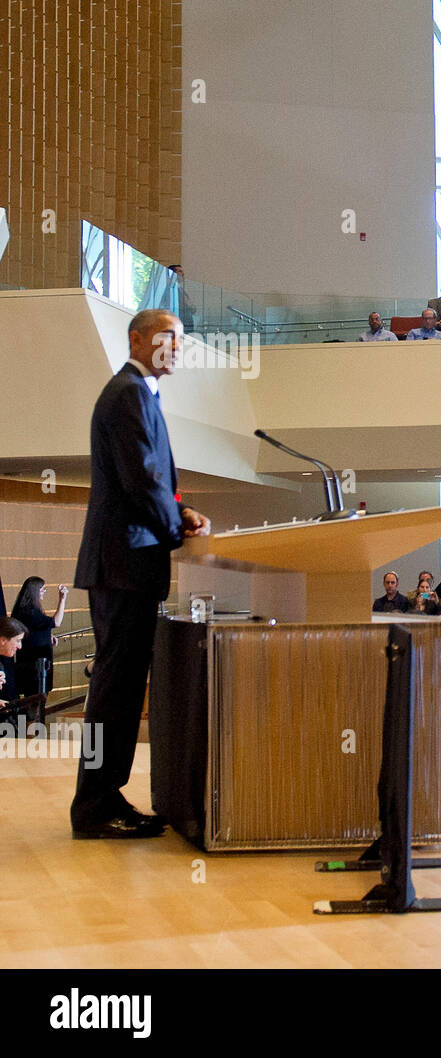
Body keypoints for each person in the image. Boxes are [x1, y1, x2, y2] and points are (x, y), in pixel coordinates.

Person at [71, 308, 212, 839]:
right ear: (138, 339)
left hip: (125, 566)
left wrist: (181, 511)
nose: (178, 347)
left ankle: (105, 797)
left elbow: (152, 480)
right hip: (122, 565)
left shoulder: (138, 392)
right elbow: (141, 481)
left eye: (181, 340)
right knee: (112, 694)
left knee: (119, 694)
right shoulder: (128, 392)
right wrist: (178, 524)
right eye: (169, 337)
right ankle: (94, 807)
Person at [11, 577, 68, 696]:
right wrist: (62, 599)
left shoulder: (22, 610)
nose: (44, 592)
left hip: (28, 664)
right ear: (34, 592)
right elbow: (56, 622)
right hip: (36, 667)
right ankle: (27, 716)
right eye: (42, 590)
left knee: (29, 703)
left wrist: (48, 635)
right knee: (35, 704)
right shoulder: (32, 611)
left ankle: (24, 716)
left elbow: (33, 630)